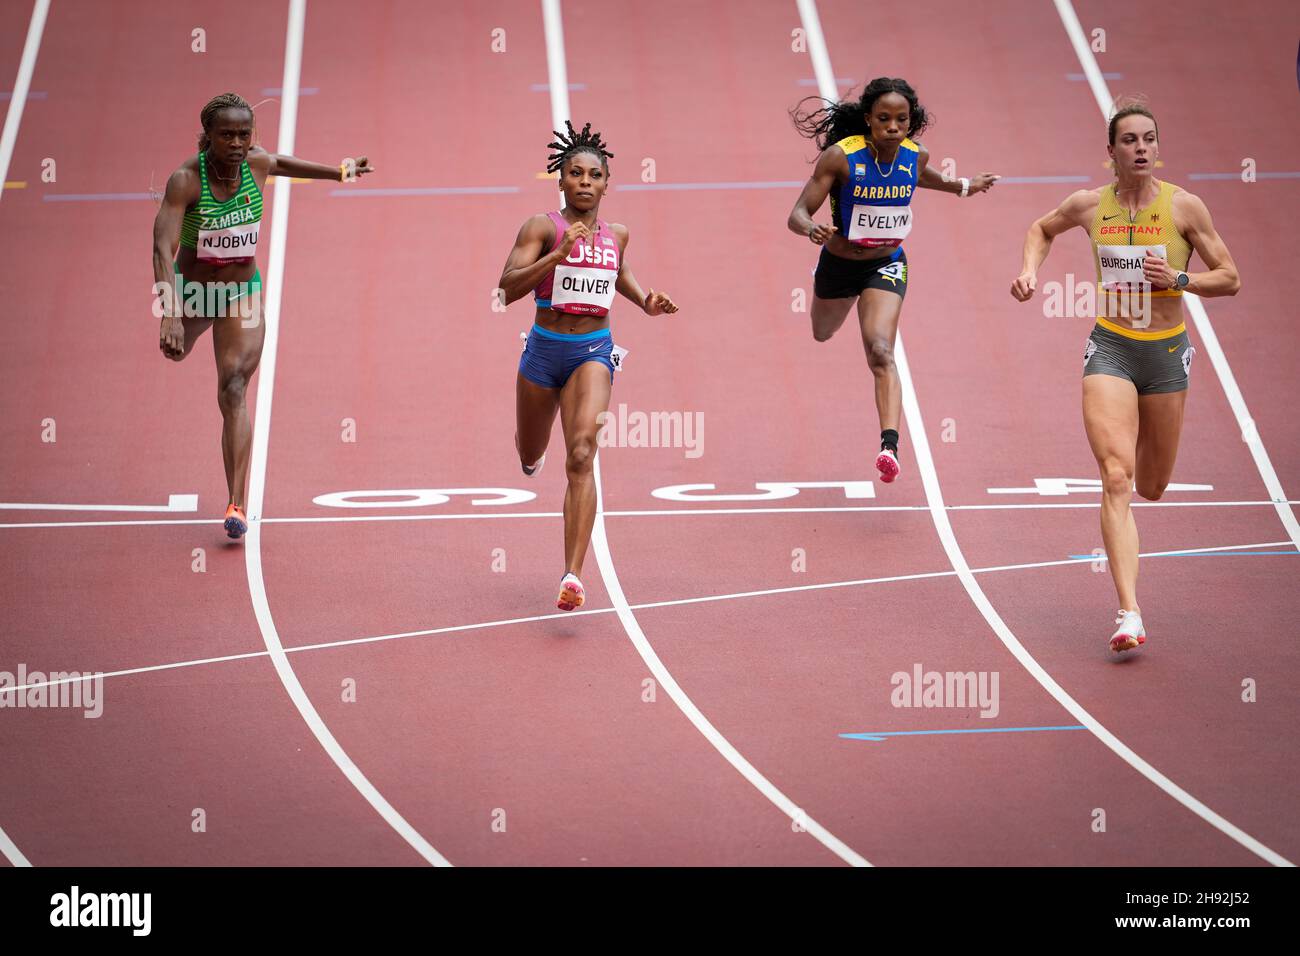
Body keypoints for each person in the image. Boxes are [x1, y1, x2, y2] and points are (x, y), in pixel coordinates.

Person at [1009, 98, 1240, 652]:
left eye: (1149, 139)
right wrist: (1028, 271)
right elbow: (1042, 228)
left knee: (1152, 485)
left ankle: (1132, 587)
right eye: (1130, 140)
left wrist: (1180, 279)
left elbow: (1230, 277)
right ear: (1110, 151)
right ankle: (1129, 612)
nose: (1141, 148)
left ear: (1158, 149)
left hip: (1165, 354)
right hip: (1111, 345)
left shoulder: (1185, 209)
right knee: (1116, 476)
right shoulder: (1090, 206)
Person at [152, 92, 373, 538]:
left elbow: (282, 163)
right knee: (174, 354)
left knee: (233, 387)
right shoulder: (185, 180)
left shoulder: (256, 164)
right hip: (194, 292)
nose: (236, 143)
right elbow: (162, 247)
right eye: (226, 135)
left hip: (240, 293)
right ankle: (187, 329)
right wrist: (170, 313)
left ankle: (236, 502)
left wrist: (339, 172)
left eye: (244, 134)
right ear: (207, 137)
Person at [497, 121, 678, 611]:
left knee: (581, 454)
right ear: (560, 179)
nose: (583, 182)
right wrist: (556, 255)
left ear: (605, 183)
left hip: (592, 352)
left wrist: (648, 301)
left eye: (592, 175)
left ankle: (572, 575)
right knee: (532, 453)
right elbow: (505, 289)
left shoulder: (617, 235)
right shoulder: (541, 227)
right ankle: (528, 452)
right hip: (543, 350)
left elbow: (621, 277)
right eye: (573, 173)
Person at [788, 77, 998, 482]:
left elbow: (926, 177)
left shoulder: (913, 156)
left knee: (881, 351)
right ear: (868, 119)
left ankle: (889, 446)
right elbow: (796, 212)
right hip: (838, 263)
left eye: (901, 119)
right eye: (883, 118)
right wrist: (809, 228)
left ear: (910, 122)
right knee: (822, 332)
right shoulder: (840, 158)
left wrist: (964, 186)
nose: (892, 126)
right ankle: (837, 293)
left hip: (886, 264)